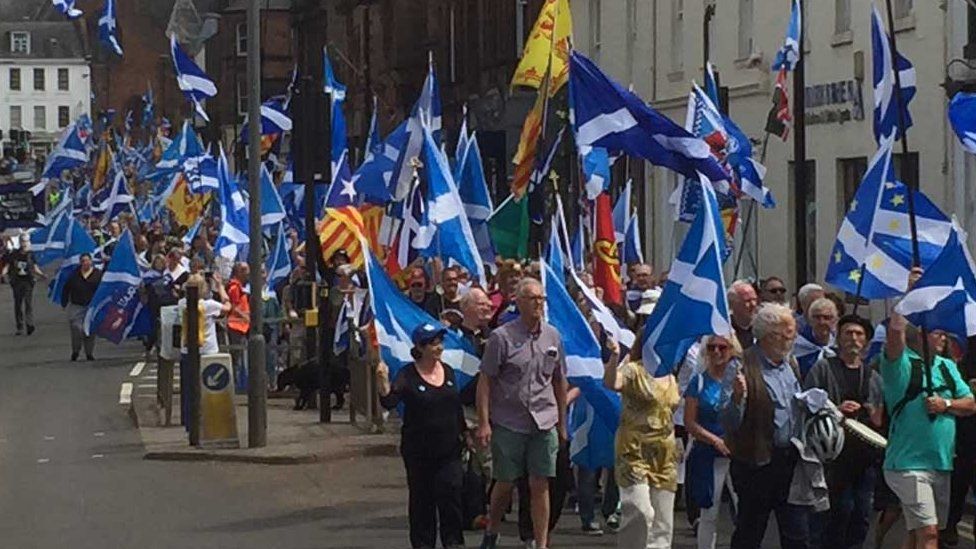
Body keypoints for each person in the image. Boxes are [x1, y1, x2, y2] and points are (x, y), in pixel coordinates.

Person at [881, 268, 976, 549]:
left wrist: (945, 404)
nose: (943, 338)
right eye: (937, 332)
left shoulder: (947, 367)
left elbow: (970, 403)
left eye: (944, 335)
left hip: (941, 463)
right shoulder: (901, 364)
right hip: (908, 465)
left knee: (916, 534)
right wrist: (907, 294)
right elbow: (895, 334)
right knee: (930, 534)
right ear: (919, 334)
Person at [476, 278, 568, 549]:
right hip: (509, 421)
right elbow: (486, 380)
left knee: (540, 483)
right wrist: (484, 423)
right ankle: (492, 527)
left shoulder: (553, 336)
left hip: (544, 420)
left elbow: (559, 381)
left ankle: (540, 542)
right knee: (505, 483)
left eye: (541, 299)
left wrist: (562, 424)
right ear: (518, 301)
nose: (538, 304)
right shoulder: (501, 337)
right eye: (532, 299)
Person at [720, 302, 811, 549]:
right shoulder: (740, 365)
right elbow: (728, 422)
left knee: (796, 533)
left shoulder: (790, 364)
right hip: (755, 463)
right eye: (788, 333)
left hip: (789, 461)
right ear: (770, 336)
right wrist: (738, 399)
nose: (792, 339)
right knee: (750, 531)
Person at [377, 323, 466, 549]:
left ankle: (453, 544)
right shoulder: (408, 375)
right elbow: (389, 401)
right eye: (433, 343)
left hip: (450, 451)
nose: (439, 347)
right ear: (421, 347)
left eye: (440, 342)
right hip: (420, 453)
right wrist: (382, 381)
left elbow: (455, 407)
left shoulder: (448, 372)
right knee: (422, 503)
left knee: (452, 500)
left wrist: (467, 433)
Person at [803, 314, 883, 549]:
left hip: (864, 456)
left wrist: (869, 409)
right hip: (834, 456)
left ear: (866, 342)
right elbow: (807, 403)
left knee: (862, 513)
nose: (854, 338)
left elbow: (879, 419)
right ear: (838, 338)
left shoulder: (873, 376)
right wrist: (835, 409)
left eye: (859, 334)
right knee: (839, 510)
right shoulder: (823, 368)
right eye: (848, 333)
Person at [604, 333, 679, 548]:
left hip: (664, 454)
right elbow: (612, 382)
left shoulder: (670, 375)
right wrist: (615, 357)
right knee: (640, 510)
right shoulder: (634, 370)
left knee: (662, 522)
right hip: (634, 450)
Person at [685, 334, 741, 549]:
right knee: (710, 512)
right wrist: (715, 440)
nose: (717, 352)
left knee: (744, 509)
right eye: (711, 348)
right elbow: (690, 422)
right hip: (709, 455)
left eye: (722, 347)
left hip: (737, 454)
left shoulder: (739, 381)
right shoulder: (698, 381)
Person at [178, 274, 231, 431]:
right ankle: (208, 421)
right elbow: (227, 308)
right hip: (208, 351)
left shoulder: (182, 304)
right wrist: (221, 287)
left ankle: (190, 423)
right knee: (208, 387)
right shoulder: (209, 305)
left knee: (189, 388)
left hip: (187, 350)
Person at [60, 253, 102, 361]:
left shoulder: (97, 274)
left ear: (91, 261)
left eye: (87, 260)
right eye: (83, 261)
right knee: (76, 328)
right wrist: (64, 302)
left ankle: (89, 353)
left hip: (91, 306)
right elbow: (66, 289)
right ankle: (76, 350)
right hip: (76, 305)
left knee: (89, 331)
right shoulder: (74, 275)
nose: (85, 263)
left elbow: (103, 290)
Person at [4, 234, 45, 335]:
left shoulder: (31, 255)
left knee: (28, 303)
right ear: (20, 242)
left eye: (26, 241)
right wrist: (3, 274)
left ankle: (29, 324)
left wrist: (42, 275)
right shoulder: (14, 254)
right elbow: (7, 266)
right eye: (23, 241)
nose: (24, 243)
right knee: (18, 304)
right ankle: (20, 326)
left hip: (28, 281)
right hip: (17, 281)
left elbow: (35, 268)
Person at [794, 297, 838, 378]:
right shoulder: (798, 345)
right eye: (817, 317)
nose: (821, 322)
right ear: (809, 320)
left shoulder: (839, 345)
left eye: (826, 317)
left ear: (834, 320)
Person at [226, 262, 250, 393]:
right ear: (238, 272)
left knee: (240, 357)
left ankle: (240, 384)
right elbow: (233, 307)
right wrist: (246, 316)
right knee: (237, 358)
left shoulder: (240, 287)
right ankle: (236, 386)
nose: (247, 273)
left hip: (242, 326)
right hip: (236, 325)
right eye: (244, 270)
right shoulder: (234, 288)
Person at [728, 280, 759, 349]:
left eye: (755, 299)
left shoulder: (763, 328)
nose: (753, 304)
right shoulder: (725, 329)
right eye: (747, 300)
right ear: (732, 304)